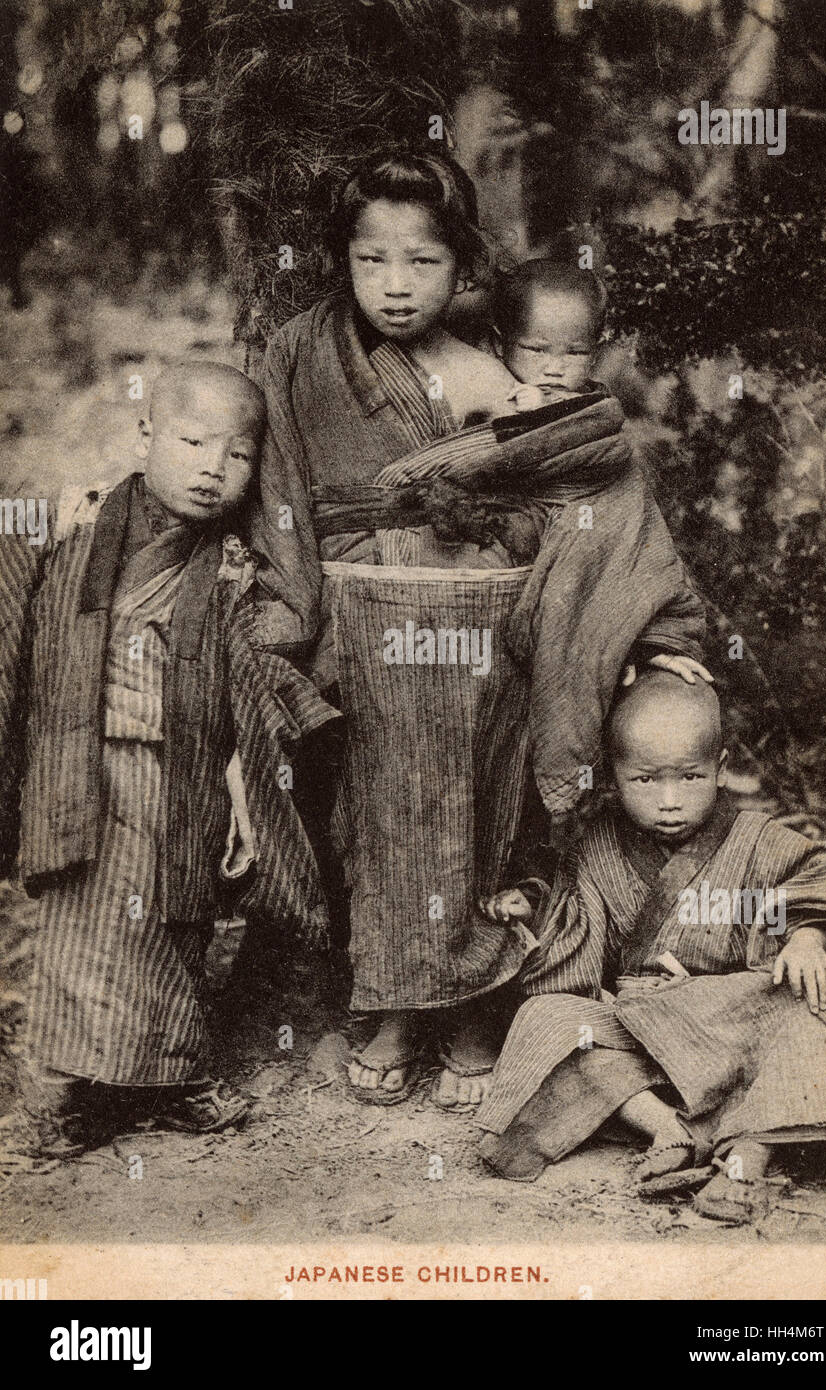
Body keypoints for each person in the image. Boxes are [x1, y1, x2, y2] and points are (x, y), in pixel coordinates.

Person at [249, 149, 708, 1111]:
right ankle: (393, 1005)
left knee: (491, 811)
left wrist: (645, 621)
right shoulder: (298, 353)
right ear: (340, 259)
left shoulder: (498, 367)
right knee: (387, 817)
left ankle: (479, 999)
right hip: (366, 626)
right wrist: (293, 606)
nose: (396, 284)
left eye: (422, 260)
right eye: (371, 259)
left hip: (495, 632)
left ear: (462, 266)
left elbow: (591, 489)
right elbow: (280, 495)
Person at [0, 362, 336, 1159]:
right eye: (192, 442)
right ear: (146, 433)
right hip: (83, 766)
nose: (213, 468)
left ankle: (169, 1079)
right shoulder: (79, 527)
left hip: (185, 771)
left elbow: (244, 692)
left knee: (176, 926)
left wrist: (245, 796)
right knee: (85, 933)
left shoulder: (227, 566)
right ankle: (74, 1097)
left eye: (239, 454)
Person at [476, 671, 826, 1223]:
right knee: (547, 1016)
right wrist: (537, 909)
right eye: (645, 781)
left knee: (812, 1012)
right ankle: (666, 1129)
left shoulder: (756, 839)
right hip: (644, 1032)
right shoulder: (598, 847)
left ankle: (749, 1155)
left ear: (722, 765)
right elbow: (577, 933)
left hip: (737, 1024)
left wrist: (810, 936)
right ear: (612, 776)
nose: (669, 802)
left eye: (690, 777)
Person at [492, 258, 608, 414]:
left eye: (575, 352)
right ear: (500, 344)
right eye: (537, 350)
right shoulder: (484, 377)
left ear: (596, 353)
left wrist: (548, 404)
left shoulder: (594, 399)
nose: (555, 370)